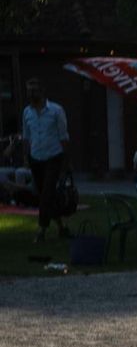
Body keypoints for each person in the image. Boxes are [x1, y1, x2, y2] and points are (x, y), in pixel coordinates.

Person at [21, 77, 70, 242]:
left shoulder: (56, 110)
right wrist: (26, 157)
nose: (30, 93)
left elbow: (64, 137)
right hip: (36, 157)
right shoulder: (27, 112)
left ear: (42, 91)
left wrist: (65, 162)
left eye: (33, 90)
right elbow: (27, 137)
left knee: (47, 193)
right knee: (45, 195)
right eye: (28, 90)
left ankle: (41, 230)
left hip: (53, 156)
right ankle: (62, 227)